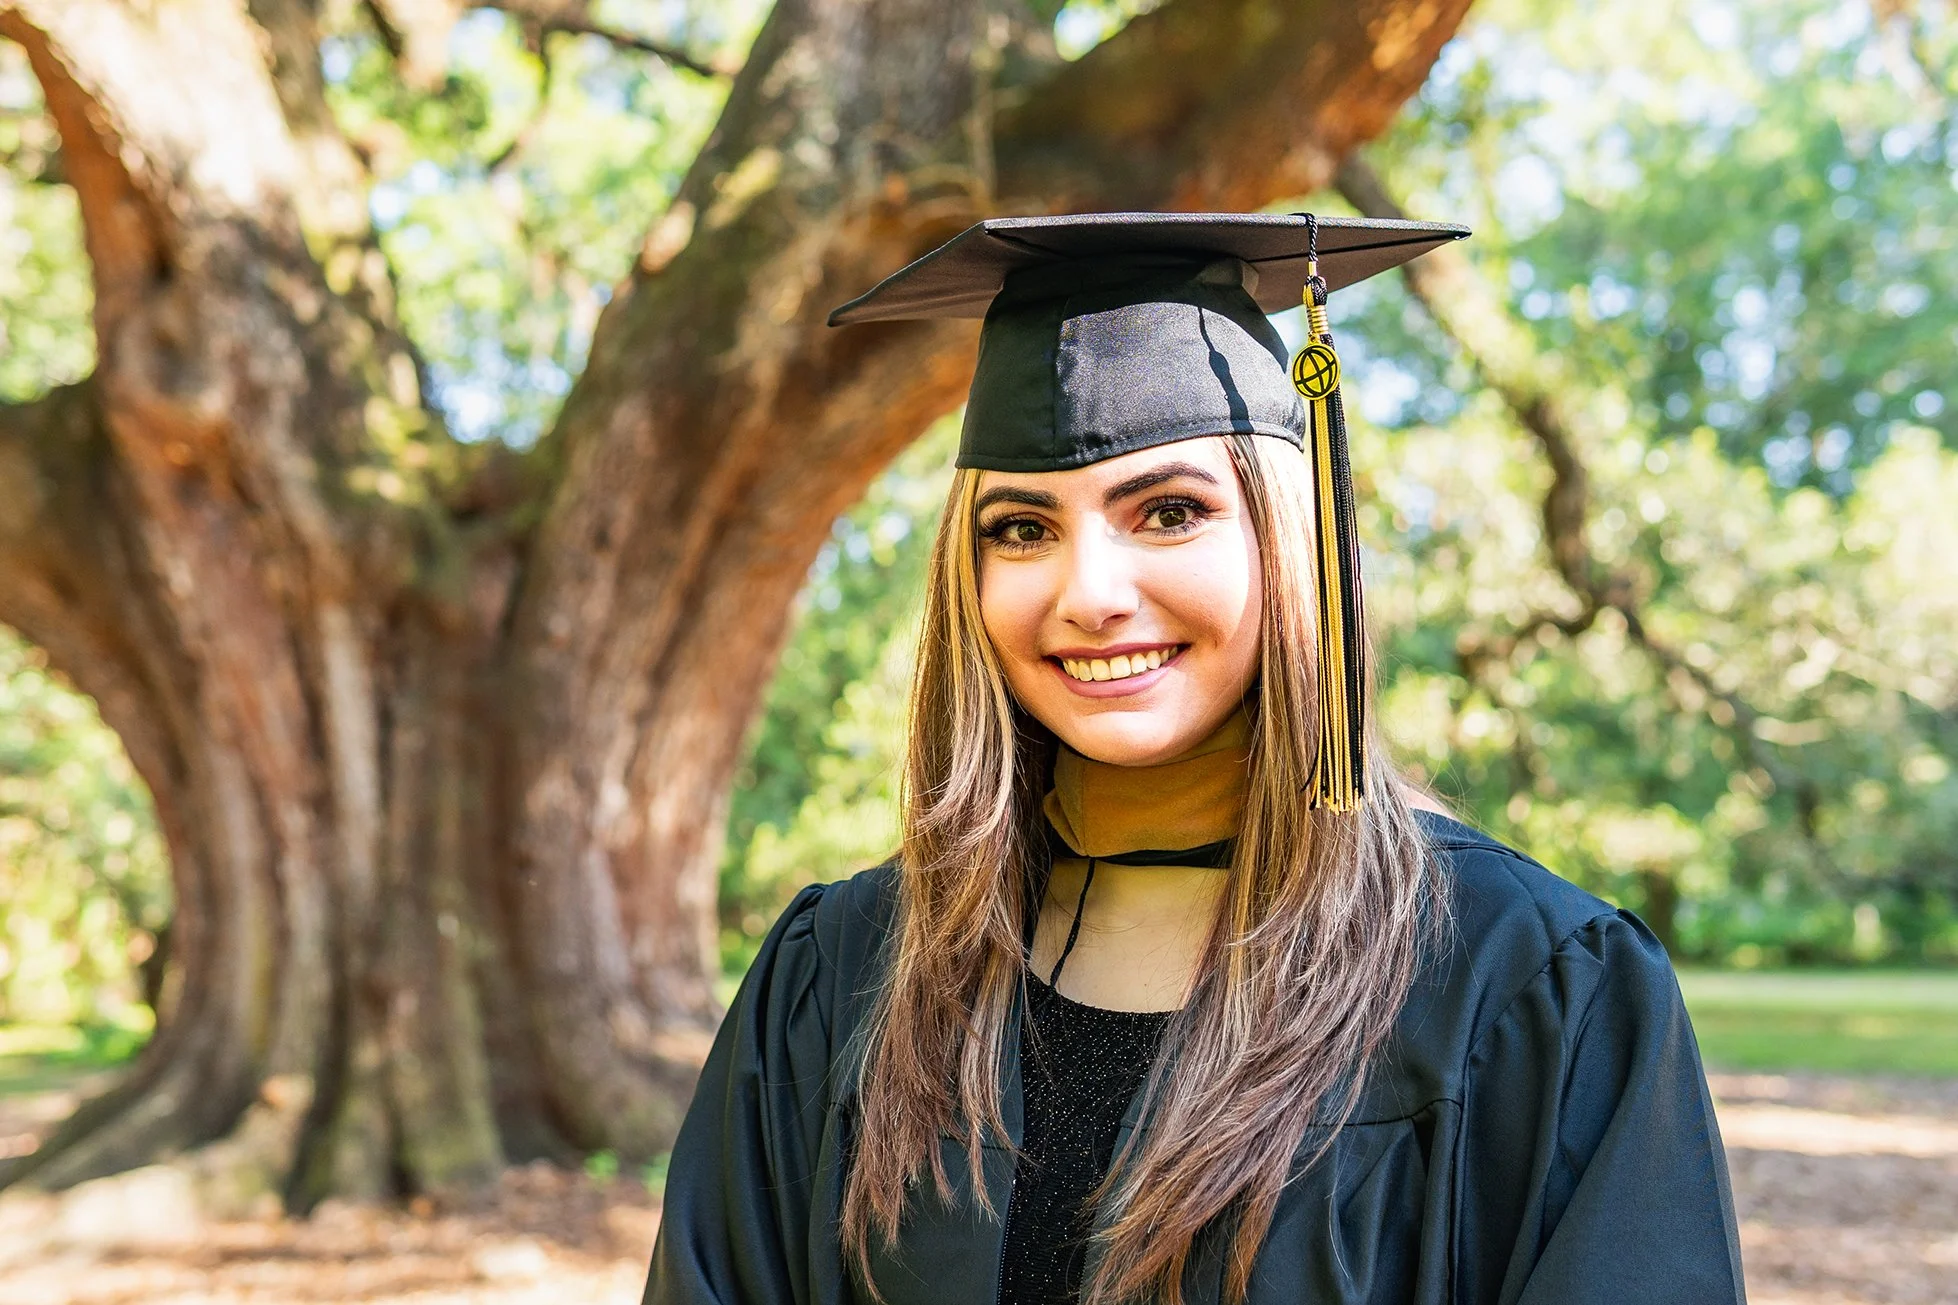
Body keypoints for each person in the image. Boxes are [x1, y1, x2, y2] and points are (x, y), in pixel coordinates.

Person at [642, 213, 1746, 1305]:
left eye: (1167, 512)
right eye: (1019, 529)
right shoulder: (840, 972)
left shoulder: (1521, 984)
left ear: (1289, 540)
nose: (1089, 595)